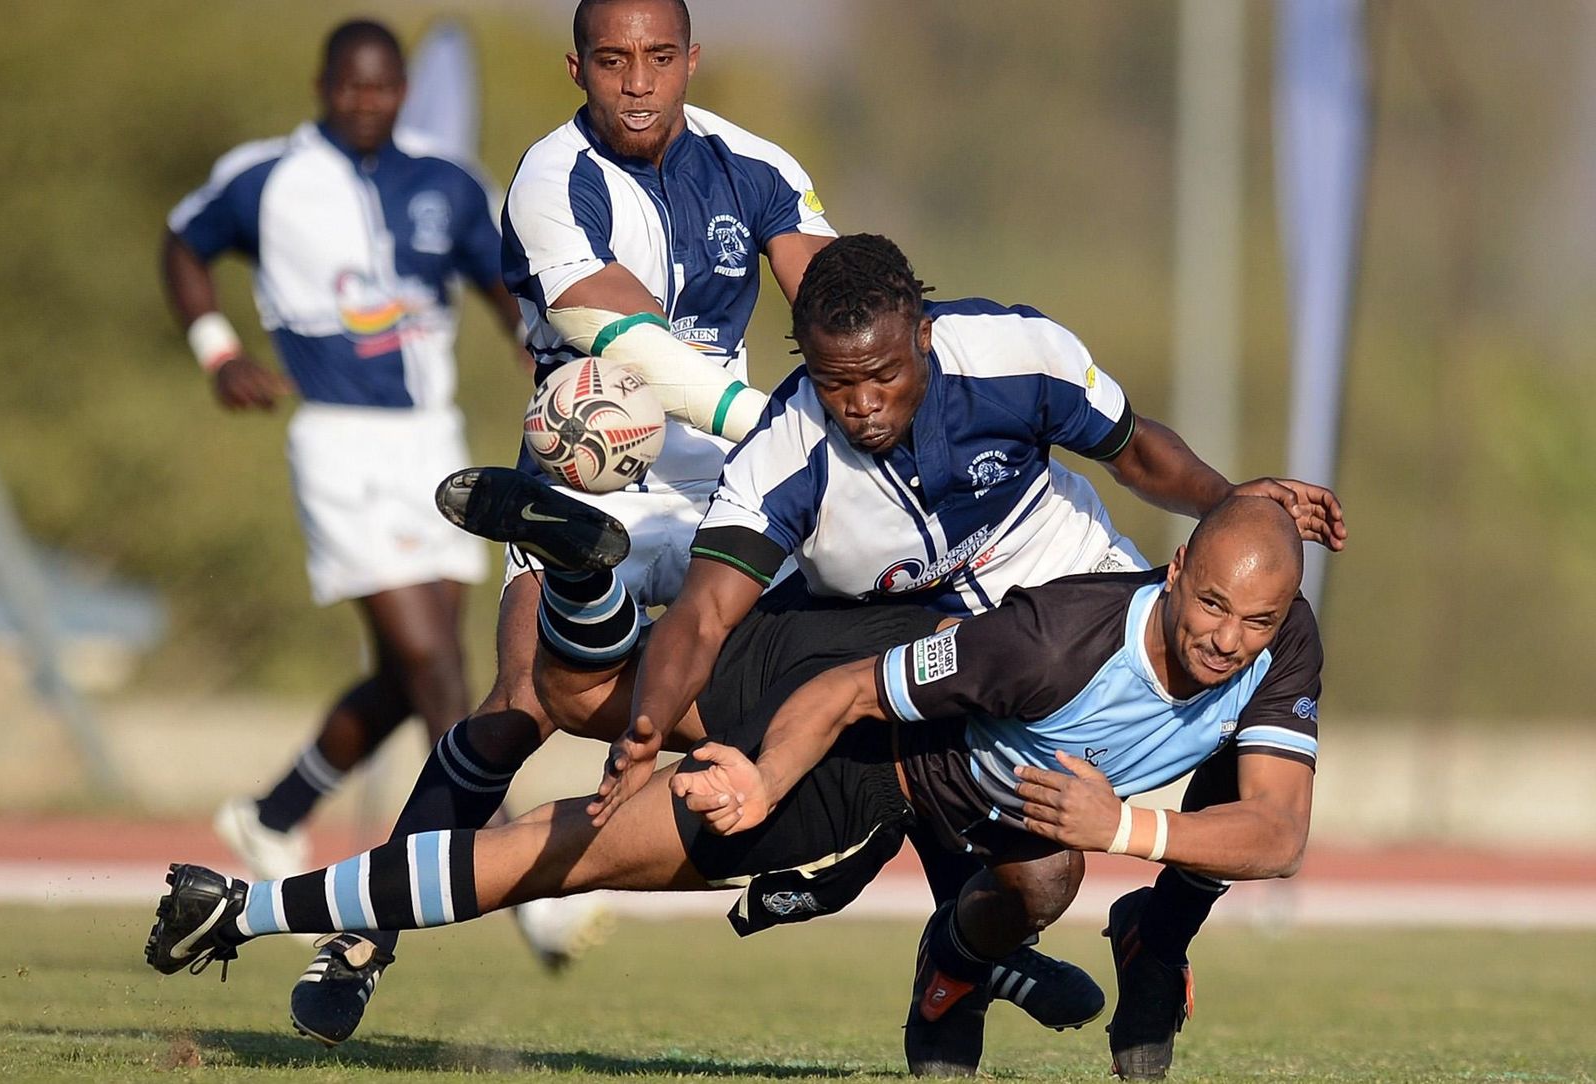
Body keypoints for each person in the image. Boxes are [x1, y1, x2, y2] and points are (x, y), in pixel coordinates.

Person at [443, 232, 1343, 1070]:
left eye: (882, 374)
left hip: (1068, 599)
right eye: (840, 382)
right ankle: (956, 954)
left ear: (922, 336)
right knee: (592, 701)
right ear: (809, 364)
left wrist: (1239, 511)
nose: (863, 404)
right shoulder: (793, 443)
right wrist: (642, 728)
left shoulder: (1012, 356)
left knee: (1235, 679)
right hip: (923, 641)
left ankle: (1152, 938)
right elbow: (712, 615)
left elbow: (1134, 449)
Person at [144, 495, 1321, 1083]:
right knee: (581, 793)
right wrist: (759, 781)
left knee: (1050, 874)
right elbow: (853, 692)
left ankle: (972, 965)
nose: (1227, 638)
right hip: (848, 719)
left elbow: (1273, 830)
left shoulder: (1281, 639)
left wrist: (1122, 826)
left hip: (978, 805)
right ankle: (239, 909)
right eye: (1210, 604)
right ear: (1174, 572)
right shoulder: (1047, 641)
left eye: (1253, 619)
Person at [269, 0, 862, 1047]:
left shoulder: (754, 164)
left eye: (660, 58)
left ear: (691, 60)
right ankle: (362, 939)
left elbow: (841, 304)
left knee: (838, 675)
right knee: (517, 704)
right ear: (577, 66)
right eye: (614, 60)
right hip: (584, 478)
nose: (638, 81)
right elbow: (621, 330)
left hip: (726, 488)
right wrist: (765, 420)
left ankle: (888, 891)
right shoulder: (551, 177)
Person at [158, 17, 603, 1002]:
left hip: (431, 443)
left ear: (404, 90)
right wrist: (218, 352)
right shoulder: (266, 177)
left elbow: (505, 289)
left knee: (416, 672)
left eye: (384, 88)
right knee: (440, 667)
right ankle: (521, 884)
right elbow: (182, 245)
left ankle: (273, 812)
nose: (369, 102)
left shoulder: (444, 184)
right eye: (352, 86)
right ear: (323, 84)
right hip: (338, 442)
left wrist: (558, 372)